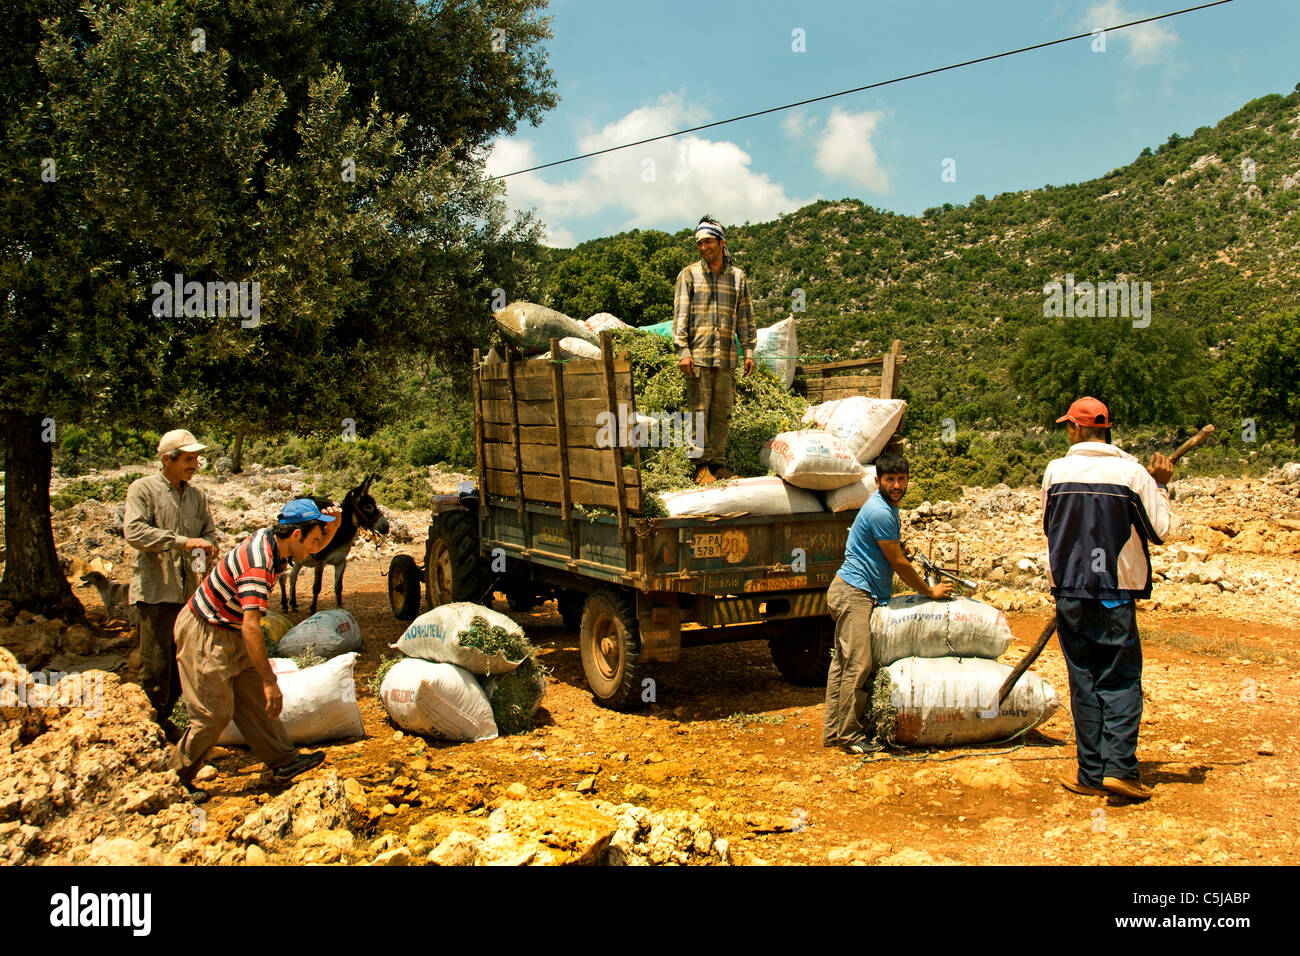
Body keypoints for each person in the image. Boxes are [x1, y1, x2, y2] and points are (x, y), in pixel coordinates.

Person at [1042, 397, 1172, 802]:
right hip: (1114, 593)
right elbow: (1161, 530)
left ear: (1078, 430)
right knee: (1119, 677)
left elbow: (1051, 526)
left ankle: (1092, 772)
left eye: (1068, 425)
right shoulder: (1133, 474)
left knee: (1083, 678)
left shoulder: (1055, 471)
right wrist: (1161, 486)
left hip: (1069, 591)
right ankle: (1120, 769)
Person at [169, 498, 342, 802]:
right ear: (297, 535)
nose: (317, 548)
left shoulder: (277, 541)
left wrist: (334, 525)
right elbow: (252, 626)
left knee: (253, 701)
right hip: (206, 632)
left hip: (230, 629)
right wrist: (269, 680)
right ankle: (172, 781)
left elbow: (315, 541)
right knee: (212, 715)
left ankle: (283, 761)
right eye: (315, 539)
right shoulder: (258, 564)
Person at [823, 451, 954, 753]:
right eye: (890, 479)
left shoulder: (888, 509)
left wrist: (899, 548)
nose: (897, 485)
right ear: (877, 480)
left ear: (908, 480)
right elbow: (898, 563)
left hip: (851, 591)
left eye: (901, 479)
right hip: (854, 593)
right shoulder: (882, 511)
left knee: (842, 665)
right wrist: (928, 591)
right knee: (858, 665)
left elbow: (890, 550)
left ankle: (834, 733)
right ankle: (851, 737)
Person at [124, 429, 218, 741]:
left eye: (196, 458)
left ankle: (163, 723)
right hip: (155, 592)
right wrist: (181, 542)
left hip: (188, 594)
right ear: (167, 459)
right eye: (189, 459)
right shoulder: (142, 490)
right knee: (155, 665)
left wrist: (206, 550)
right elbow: (135, 532)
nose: (195, 464)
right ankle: (149, 730)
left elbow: (208, 535)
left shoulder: (196, 496)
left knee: (184, 663)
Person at [673, 215, 757, 485]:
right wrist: (683, 351)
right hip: (697, 356)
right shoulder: (689, 275)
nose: (703, 247)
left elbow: (745, 317)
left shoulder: (737, 278)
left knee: (722, 411)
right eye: (699, 243)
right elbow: (680, 316)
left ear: (721, 243)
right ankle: (700, 466)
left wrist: (748, 351)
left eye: (708, 241)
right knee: (698, 410)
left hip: (726, 357)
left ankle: (718, 463)